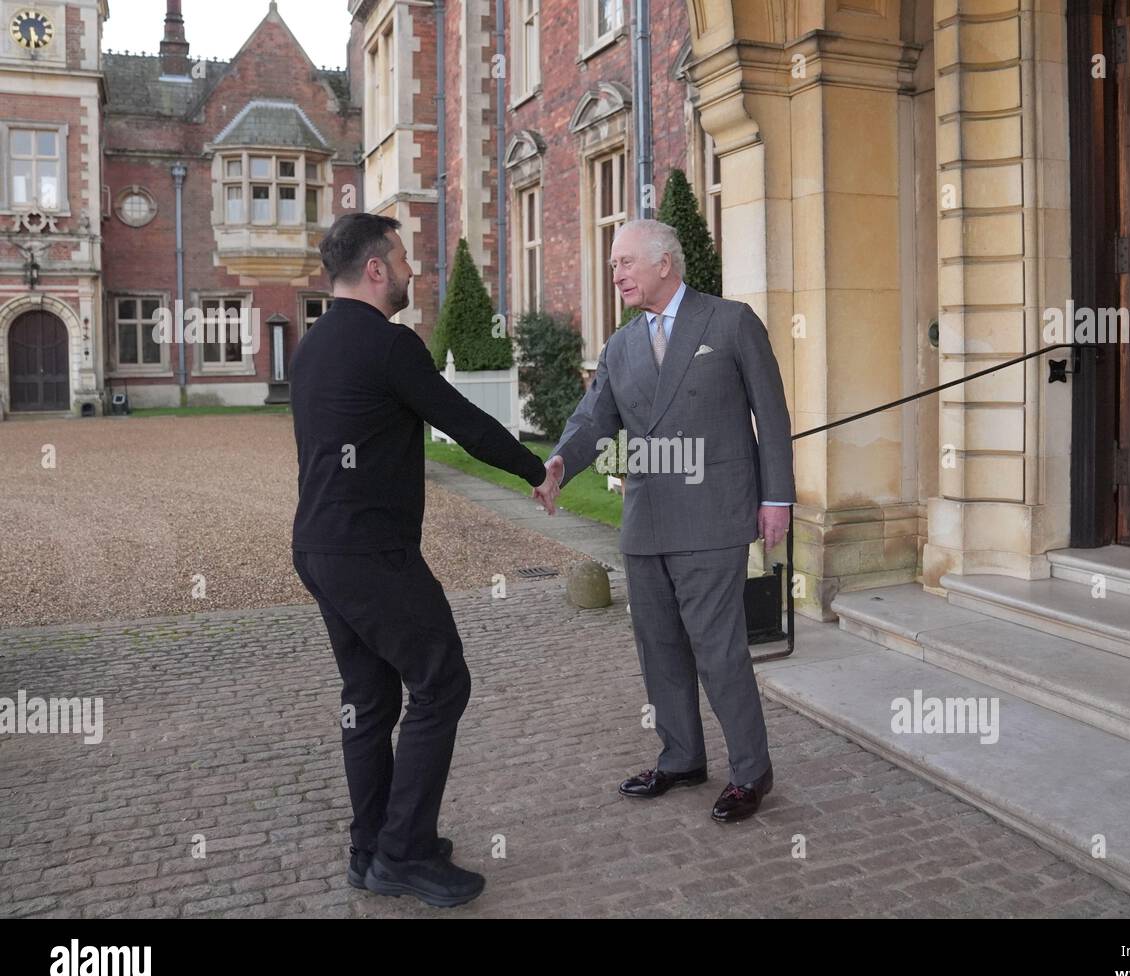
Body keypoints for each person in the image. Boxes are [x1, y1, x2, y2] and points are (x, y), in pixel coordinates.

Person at [290, 213, 559, 907]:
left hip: (318, 546)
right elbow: (463, 421)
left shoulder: (311, 346)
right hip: (371, 552)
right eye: (405, 260)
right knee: (442, 681)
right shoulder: (391, 344)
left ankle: (370, 845)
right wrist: (537, 468)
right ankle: (402, 852)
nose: (414, 272)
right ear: (376, 269)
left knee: (369, 698)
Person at [536, 218, 794, 823]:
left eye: (625, 262)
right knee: (658, 648)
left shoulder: (730, 322)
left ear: (664, 263)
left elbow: (772, 413)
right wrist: (556, 466)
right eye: (614, 264)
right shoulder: (622, 344)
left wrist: (776, 496)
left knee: (718, 650)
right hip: (645, 519)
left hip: (714, 515)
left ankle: (752, 772)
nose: (616, 273)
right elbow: (593, 419)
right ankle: (681, 757)